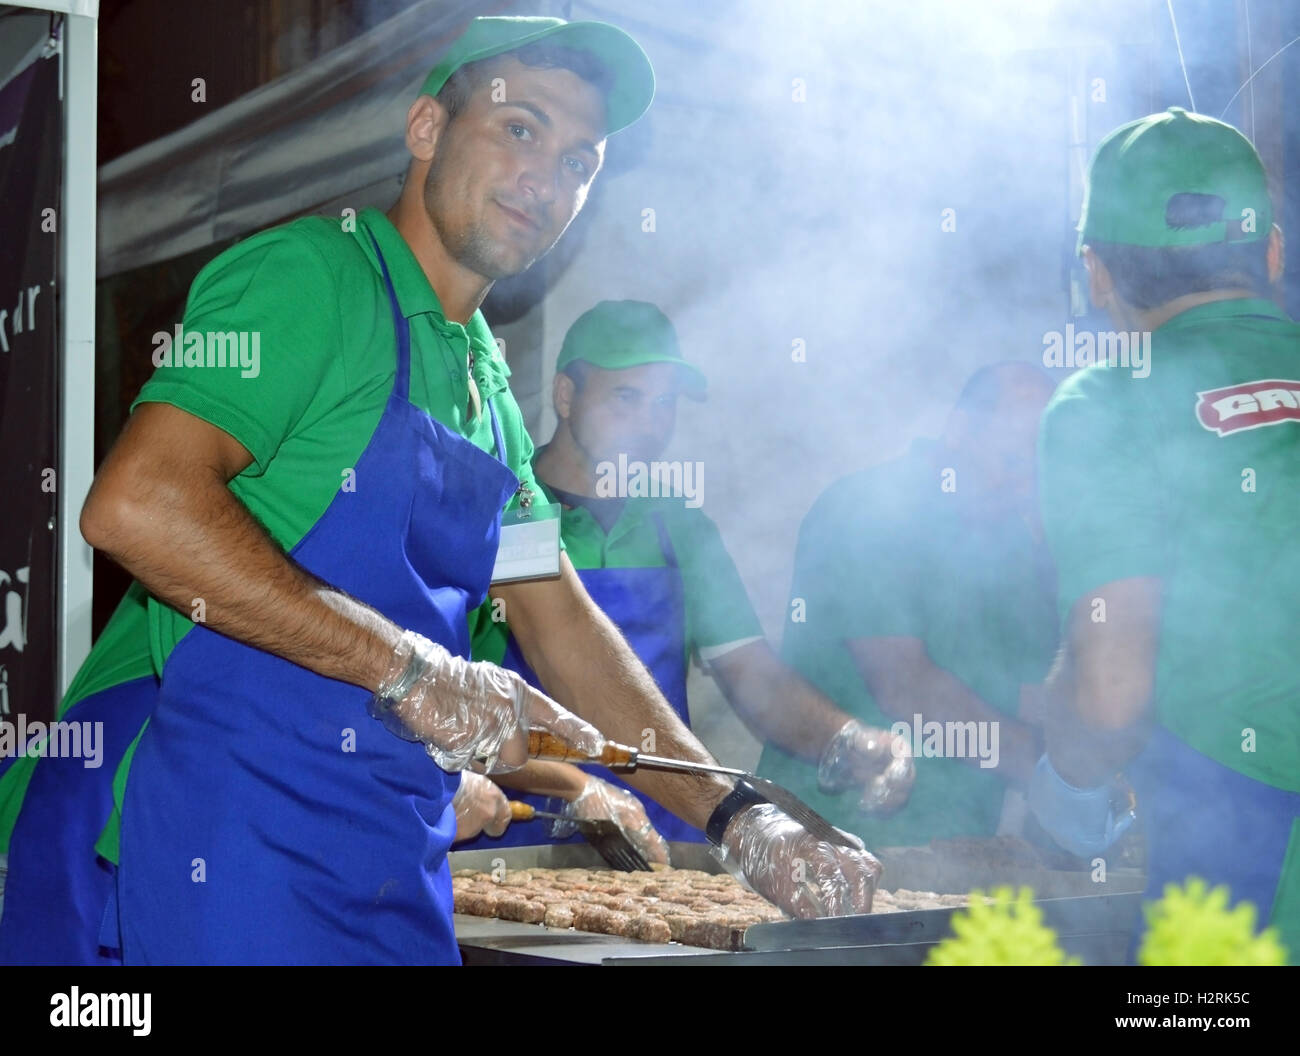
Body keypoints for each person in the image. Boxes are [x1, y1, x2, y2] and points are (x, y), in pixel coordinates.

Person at [0, 15, 881, 967]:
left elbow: (557, 617)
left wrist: (741, 815)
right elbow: (137, 506)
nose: (549, 179)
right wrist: (414, 672)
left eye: (582, 161)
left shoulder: (487, 387)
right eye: (520, 128)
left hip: (390, 867)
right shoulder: (312, 279)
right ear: (426, 128)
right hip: (228, 858)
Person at [459, 300, 914, 855]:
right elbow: (457, 701)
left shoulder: (683, 529)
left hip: (662, 839)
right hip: (514, 835)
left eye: (665, 403)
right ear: (565, 396)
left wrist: (844, 736)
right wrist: (577, 786)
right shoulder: (502, 515)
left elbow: (755, 678)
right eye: (626, 398)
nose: (651, 426)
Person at [1029, 107, 1299, 962]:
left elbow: (1112, 684)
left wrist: (1066, 788)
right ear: (1271, 253)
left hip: (1248, 872)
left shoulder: (1107, 403)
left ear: (1096, 275)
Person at [759, 361, 1060, 846]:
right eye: (1011, 461)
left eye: (1039, 472)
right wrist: (1048, 778)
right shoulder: (867, 509)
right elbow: (905, 684)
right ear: (961, 429)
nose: (1024, 489)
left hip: (958, 844)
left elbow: (1031, 690)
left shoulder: (1016, 543)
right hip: (828, 834)